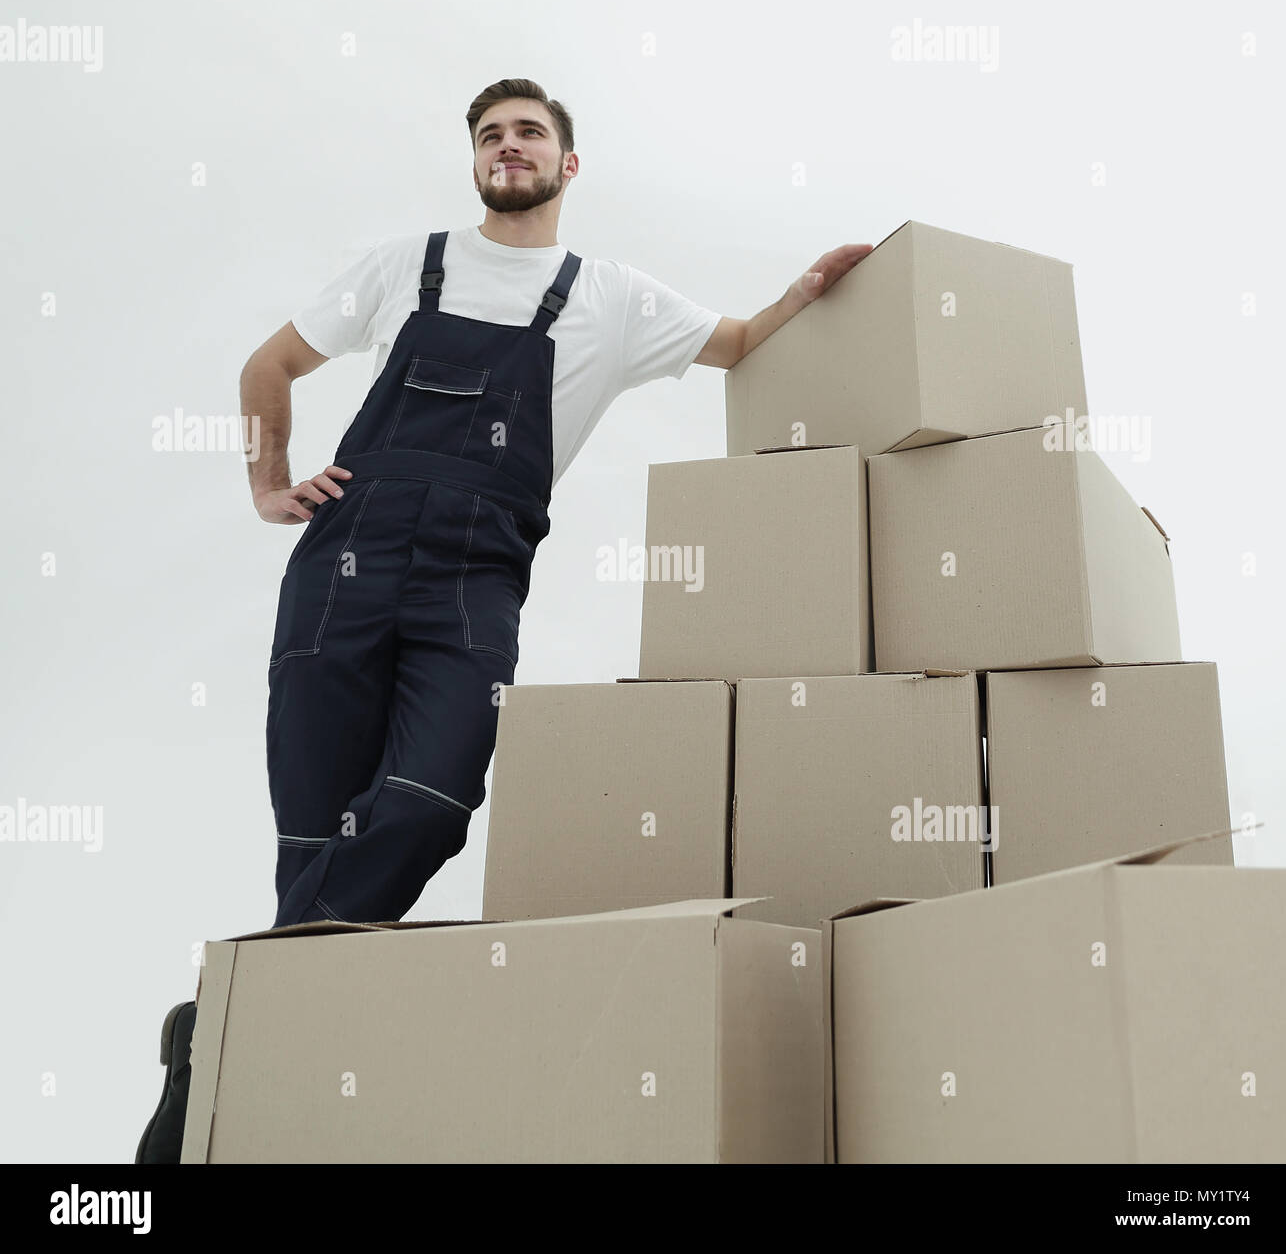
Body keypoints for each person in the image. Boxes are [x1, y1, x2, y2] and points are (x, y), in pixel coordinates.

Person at [135, 77, 874, 1164]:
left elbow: (743, 340)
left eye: (529, 133)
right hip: (345, 558)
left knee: (431, 801)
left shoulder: (612, 299)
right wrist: (268, 485)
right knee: (315, 835)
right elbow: (269, 364)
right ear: (475, 161)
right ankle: (243, 1099)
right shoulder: (407, 264)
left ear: (567, 166)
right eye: (490, 135)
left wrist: (812, 289)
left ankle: (221, 1017)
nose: (508, 146)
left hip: (477, 577)